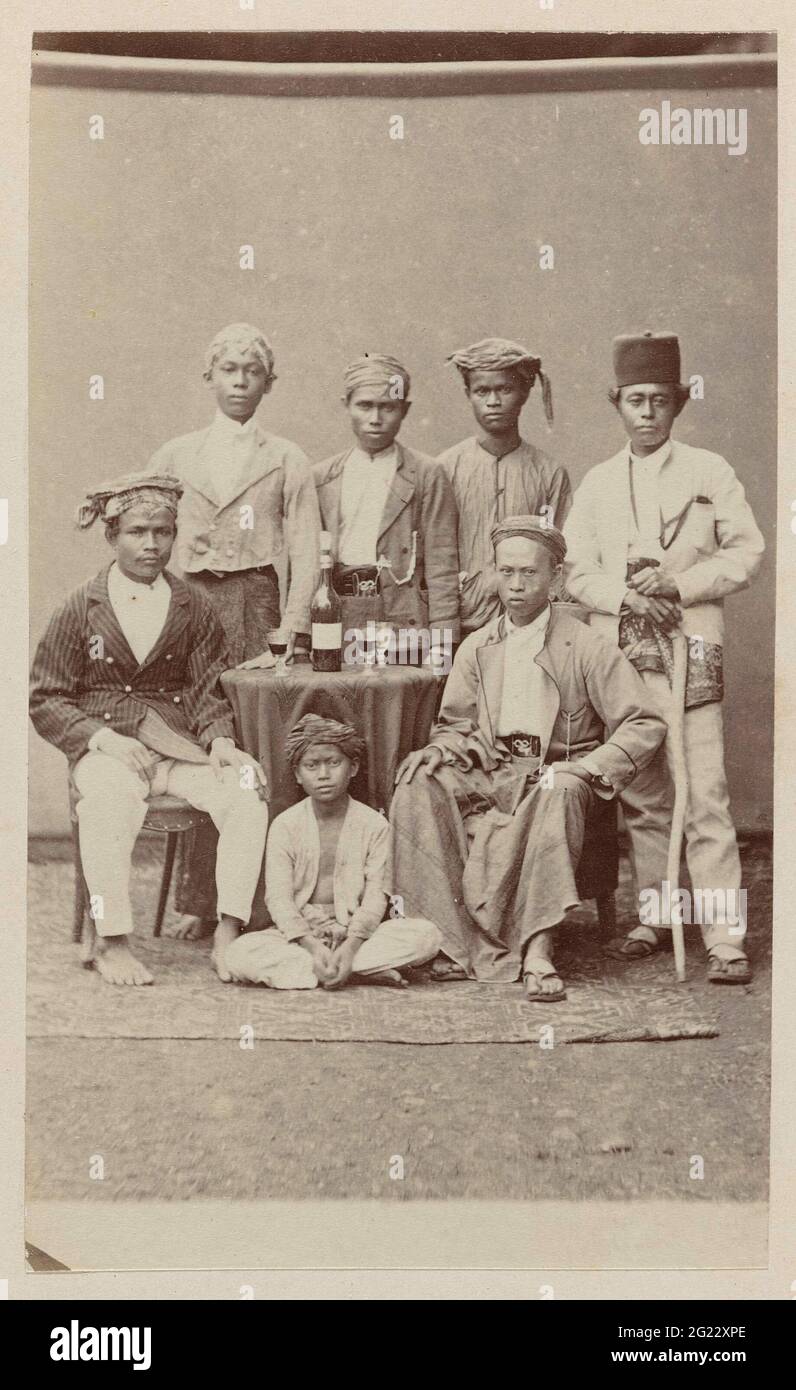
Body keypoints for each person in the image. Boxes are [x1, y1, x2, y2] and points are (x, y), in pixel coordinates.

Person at [389, 517, 666, 1000]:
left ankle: (539, 947)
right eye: (507, 572)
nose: (516, 586)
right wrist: (437, 750)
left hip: (555, 774)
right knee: (417, 785)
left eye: (530, 574)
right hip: (491, 770)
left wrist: (589, 766)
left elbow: (644, 723)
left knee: (557, 787)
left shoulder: (586, 646)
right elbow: (455, 724)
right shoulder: (479, 646)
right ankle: (449, 942)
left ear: (556, 578)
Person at [563, 331, 765, 983]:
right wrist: (627, 597)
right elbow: (574, 570)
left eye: (659, 400)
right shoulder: (597, 484)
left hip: (692, 646)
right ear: (616, 403)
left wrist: (680, 585)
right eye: (634, 400)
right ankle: (657, 914)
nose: (647, 412)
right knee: (645, 794)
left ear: (678, 403)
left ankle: (725, 935)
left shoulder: (709, 472)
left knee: (703, 789)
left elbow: (747, 553)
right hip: (624, 652)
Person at [29, 472, 269, 986]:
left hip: (178, 746)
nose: (152, 544)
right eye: (138, 532)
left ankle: (229, 930)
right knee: (108, 803)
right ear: (112, 536)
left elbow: (207, 689)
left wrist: (222, 742)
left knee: (247, 789)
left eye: (162, 532)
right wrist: (104, 740)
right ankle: (112, 942)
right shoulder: (80, 606)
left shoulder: (192, 605)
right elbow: (46, 698)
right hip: (107, 748)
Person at [149, 323, 321, 936]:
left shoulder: (285, 457)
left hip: (256, 605)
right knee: (200, 741)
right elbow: (150, 538)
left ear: (268, 383)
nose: (240, 381)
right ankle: (202, 904)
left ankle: (257, 904)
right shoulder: (174, 456)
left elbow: (304, 549)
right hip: (191, 604)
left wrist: (294, 628)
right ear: (210, 377)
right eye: (229, 369)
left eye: (252, 372)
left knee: (254, 742)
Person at [225, 714, 442, 990]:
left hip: (357, 935)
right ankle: (357, 971)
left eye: (333, 763)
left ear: (353, 767)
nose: (324, 775)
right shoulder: (285, 826)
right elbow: (278, 898)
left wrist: (351, 946)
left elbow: (377, 896)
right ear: (297, 774)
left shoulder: (374, 825)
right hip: (300, 937)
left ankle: (336, 967)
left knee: (427, 936)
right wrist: (311, 945)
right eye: (312, 766)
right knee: (238, 954)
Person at [313, 354, 460, 655]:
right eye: (365, 405)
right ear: (346, 405)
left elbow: (442, 564)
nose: (376, 418)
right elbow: (306, 566)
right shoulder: (322, 478)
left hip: (403, 615)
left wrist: (444, 647)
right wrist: (302, 639)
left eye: (388, 407)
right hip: (339, 615)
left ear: (404, 410)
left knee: (399, 696)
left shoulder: (427, 474)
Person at [438, 337, 572, 635]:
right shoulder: (445, 469)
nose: (494, 402)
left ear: (525, 393)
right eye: (482, 391)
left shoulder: (549, 473)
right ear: (468, 394)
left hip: (531, 625)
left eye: (505, 389)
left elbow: (562, 559)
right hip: (460, 623)